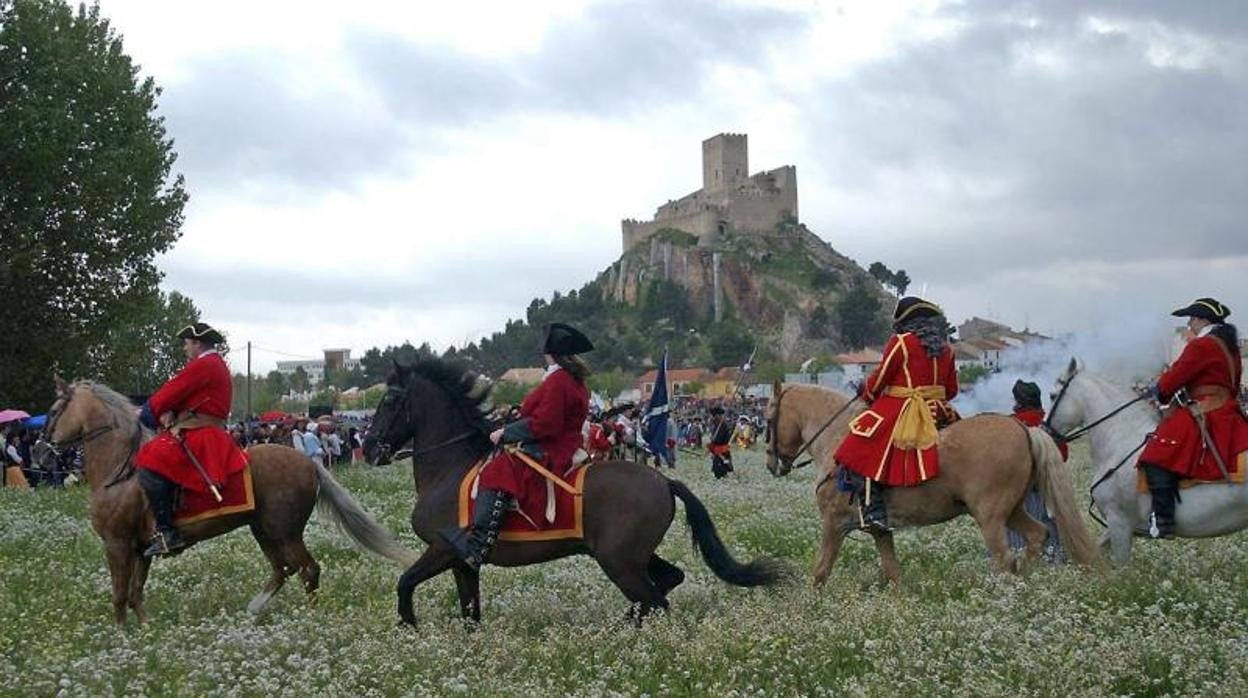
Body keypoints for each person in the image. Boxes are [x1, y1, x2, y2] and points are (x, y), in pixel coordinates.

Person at [440, 322, 594, 570]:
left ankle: (478, 546)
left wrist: (507, 432)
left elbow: (546, 424)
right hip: (561, 442)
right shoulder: (572, 379)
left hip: (553, 446)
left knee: (495, 472)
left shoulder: (559, 381)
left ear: (549, 352)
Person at [833, 296, 959, 532]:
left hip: (903, 408)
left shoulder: (901, 342)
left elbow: (880, 378)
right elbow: (952, 391)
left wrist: (866, 392)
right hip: (940, 411)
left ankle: (874, 510)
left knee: (855, 449)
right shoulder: (947, 349)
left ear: (904, 322)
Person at [134, 323, 248, 557]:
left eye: (186, 343)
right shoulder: (212, 364)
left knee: (148, 460)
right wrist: (172, 412)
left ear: (197, 343)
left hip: (202, 433)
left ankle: (168, 533)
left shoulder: (204, 364)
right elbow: (188, 396)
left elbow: (173, 390)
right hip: (199, 427)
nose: (185, 348)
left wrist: (147, 411)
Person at [1138, 298, 1248, 539]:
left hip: (1208, 411)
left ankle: (1163, 520)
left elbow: (1174, 378)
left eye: (1191, 319)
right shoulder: (1229, 347)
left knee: (1156, 453)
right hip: (1229, 412)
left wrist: (1158, 390)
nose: (1189, 324)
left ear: (1202, 320)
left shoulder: (1202, 345)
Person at [1008, 380, 1066, 562]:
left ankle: (1017, 557)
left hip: (1020, 488)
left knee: (1015, 526)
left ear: (1018, 401)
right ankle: (1054, 559)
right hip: (1048, 486)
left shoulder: (1011, 425)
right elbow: (1063, 454)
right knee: (1050, 525)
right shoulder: (1049, 423)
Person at [707, 406, 733, 479]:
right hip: (717, 450)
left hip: (722, 449)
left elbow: (721, 439)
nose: (713, 417)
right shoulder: (716, 425)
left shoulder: (723, 425)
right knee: (717, 468)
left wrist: (714, 440)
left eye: (715, 416)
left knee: (723, 466)